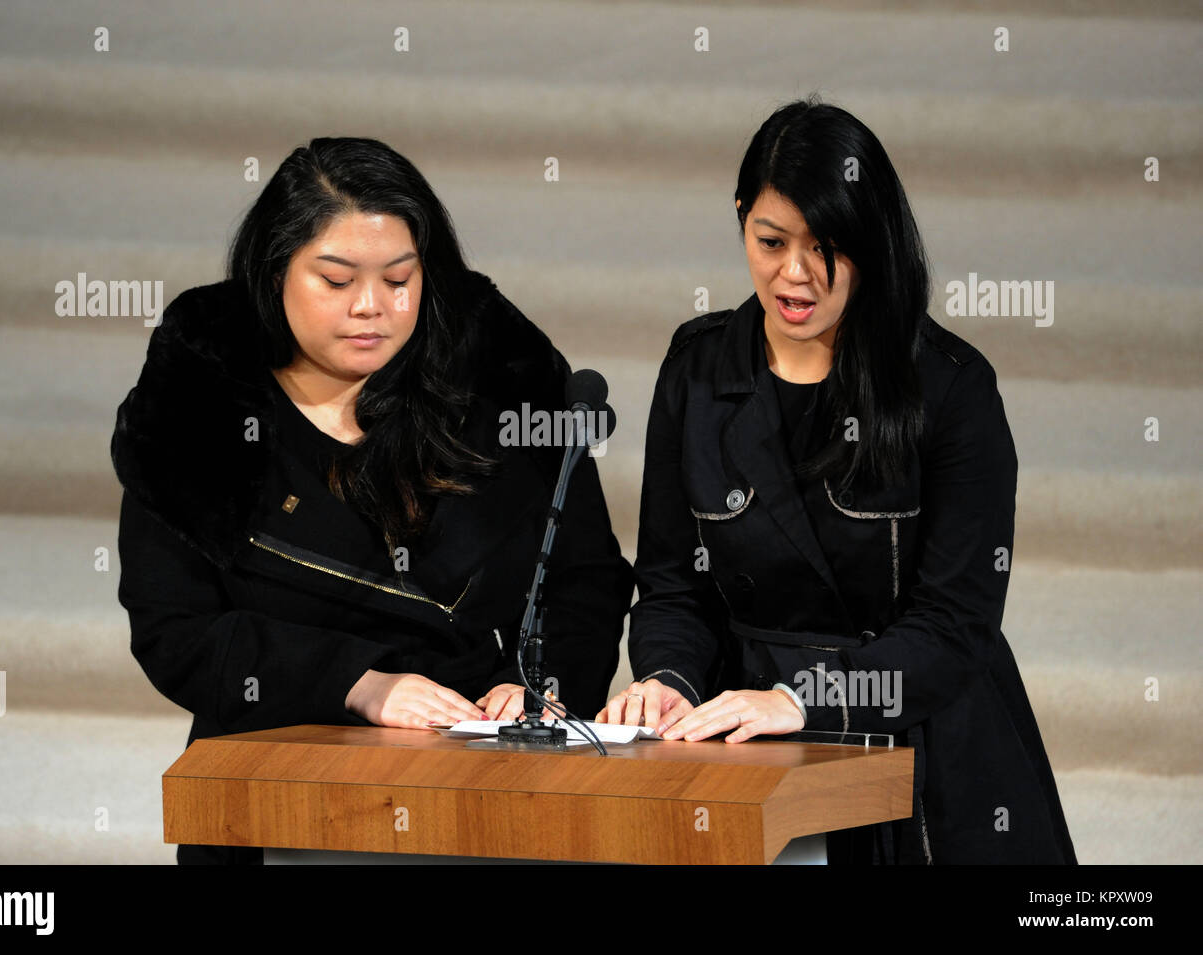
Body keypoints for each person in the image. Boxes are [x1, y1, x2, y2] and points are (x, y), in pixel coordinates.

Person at [112, 137, 633, 864]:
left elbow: (586, 575)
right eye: (335, 280)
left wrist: (542, 686)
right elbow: (173, 627)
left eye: (398, 279)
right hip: (277, 791)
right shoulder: (197, 400)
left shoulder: (498, 377)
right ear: (274, 273)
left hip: (490, 786)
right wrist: (355, 681)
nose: (372, 308)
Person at [599, 98, 1077, 864]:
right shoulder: (697, 369)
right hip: (746, 745)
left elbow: (956, 624)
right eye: (770, 240)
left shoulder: (951, 388)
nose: (796, 274)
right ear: (740, 219)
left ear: (873, 242)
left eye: (827, 246)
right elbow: (672, 586)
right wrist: (669, 678)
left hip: (917, 740)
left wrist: (801, 697)